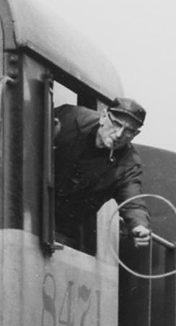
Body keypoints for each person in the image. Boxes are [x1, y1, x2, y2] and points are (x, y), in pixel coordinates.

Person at [51, 97, 151, 253]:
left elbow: (133, 201)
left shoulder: (128, 165)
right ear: (104, 117)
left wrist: (139, 225)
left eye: (128, 131)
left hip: (63, 229)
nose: (119, 134)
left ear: (135, 134)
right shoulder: (71, 117)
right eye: (116, 124)